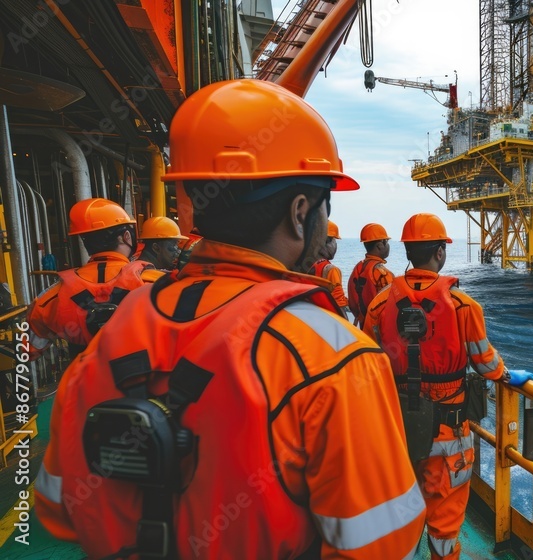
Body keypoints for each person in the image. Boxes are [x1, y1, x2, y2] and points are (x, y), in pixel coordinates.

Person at [35, 79, 425, 559]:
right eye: (327, 203)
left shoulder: (112, 335)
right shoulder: (335, 358)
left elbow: (57, 508)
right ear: (301, 212)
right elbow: (382, 546)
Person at [362, 213, 533, 560]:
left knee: (401, 509)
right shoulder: (462, 306)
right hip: (448, 433)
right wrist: (505, 376)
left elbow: (368, 360)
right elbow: (484, 361)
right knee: (445, 518)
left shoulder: (380, 303)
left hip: (398, 427)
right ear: (440, 252)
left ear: (407, 252)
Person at [26, 198, 163, 359]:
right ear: (126, 236)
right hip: (145, 380)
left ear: (85, 242)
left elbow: (29, 350)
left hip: (84, 380)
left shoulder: (52, 297)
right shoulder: (156, 284)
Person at [348, 222, 394, 326]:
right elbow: (392, 307)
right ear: (379, 245)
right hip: (380, 329)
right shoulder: (382, 273)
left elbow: (352, 301)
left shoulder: (358, 268)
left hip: (363, 325)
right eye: (386, 242)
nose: (388, 246)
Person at [311, 220, 351, 318]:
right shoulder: (331, 270)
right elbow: (339, 304)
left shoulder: (307, 266)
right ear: (326, 242)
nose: (335, 246)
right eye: (334, 240)